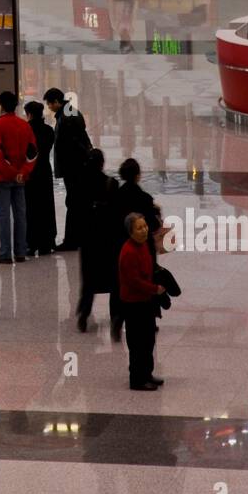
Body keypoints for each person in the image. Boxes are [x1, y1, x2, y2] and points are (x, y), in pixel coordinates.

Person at [111, 159, 162, 339]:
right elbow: (154, 225)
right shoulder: (144, 198)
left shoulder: (116, 196)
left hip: (120, 246)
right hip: (143, 249)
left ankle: (117, 319)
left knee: (120, 283)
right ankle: (151, 318)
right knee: (146, 279)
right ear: (138, 175)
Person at [0, 91, 36, 265]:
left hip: (2, 177)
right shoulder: (25, 125)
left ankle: (5, 253)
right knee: (21, 214)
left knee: (3, 216)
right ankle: (21, 251)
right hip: (21, 179)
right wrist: (22, 172)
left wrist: (10, 173)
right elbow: (32, 152)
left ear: (1, 105)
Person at [119, 213, 166, 390]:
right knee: (138, 342)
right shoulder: (128, 252)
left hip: (145, 301)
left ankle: (147, 373)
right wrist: (154, 289)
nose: (144, 230)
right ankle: (137, 379)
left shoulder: (144, 246)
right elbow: (134, 282)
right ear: (130, 232)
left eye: (145, 226)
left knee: (148, 340)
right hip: (134, 303)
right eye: (139, 228)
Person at [75, 149, 119, 331]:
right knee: (113, 278)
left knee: (88, 279)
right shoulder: (111, 184)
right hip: (107, 239)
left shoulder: (80, 184)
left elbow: (75, 211)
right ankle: (115, 316)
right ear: (102, 163)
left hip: (88, 239)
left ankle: (84, 313)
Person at [43, 88, 92, 250]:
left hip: (74, 168)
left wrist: (73, 166)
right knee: (76, 203)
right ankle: (78, 238)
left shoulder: (67, 116)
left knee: (74, 203)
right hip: (76, 167)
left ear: (56, 101)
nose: (49, 107)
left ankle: (72, 241)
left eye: (50, 104)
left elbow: (73, 144)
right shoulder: (68, 113)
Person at [23, 101, 56, 257]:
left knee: (30, 207)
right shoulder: (49, 131)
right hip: (44, 171)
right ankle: (47, 242)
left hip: (30, 173)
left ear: (29, 114)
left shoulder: (25, 130)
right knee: (46, 206)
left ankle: (31, 242)